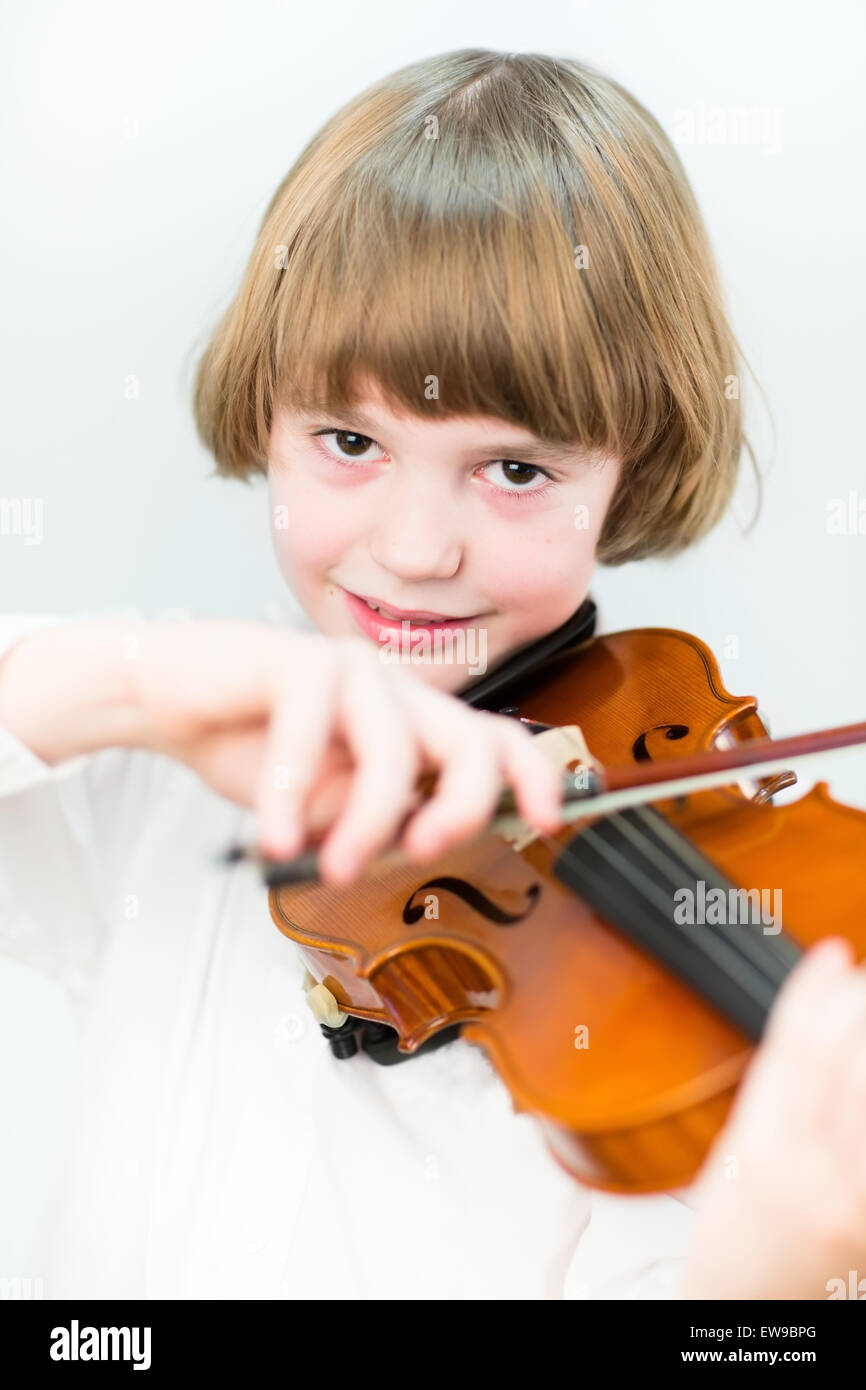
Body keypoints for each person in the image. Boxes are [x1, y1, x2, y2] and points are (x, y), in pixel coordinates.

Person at [1, 48, 864, 1301]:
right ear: (263, 417)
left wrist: (768, 1269)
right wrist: (143, 687)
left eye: (515, 469)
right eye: (349, 440)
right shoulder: (153, 784)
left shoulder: (672, 1056)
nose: (413, 551)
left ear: (630, 469)